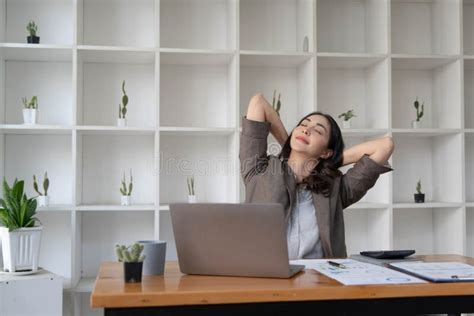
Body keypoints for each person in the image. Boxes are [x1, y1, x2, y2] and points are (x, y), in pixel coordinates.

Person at [239, 93, 394, 259]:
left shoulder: (337, 188)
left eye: (318, 131)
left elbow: (385, 146)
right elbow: (258, 102)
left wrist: (332, 161)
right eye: (304, 125)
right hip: (267, 275)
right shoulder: (258, 169)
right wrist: (287, 144)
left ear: (327, 151)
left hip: (319, 277)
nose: (306, 129)